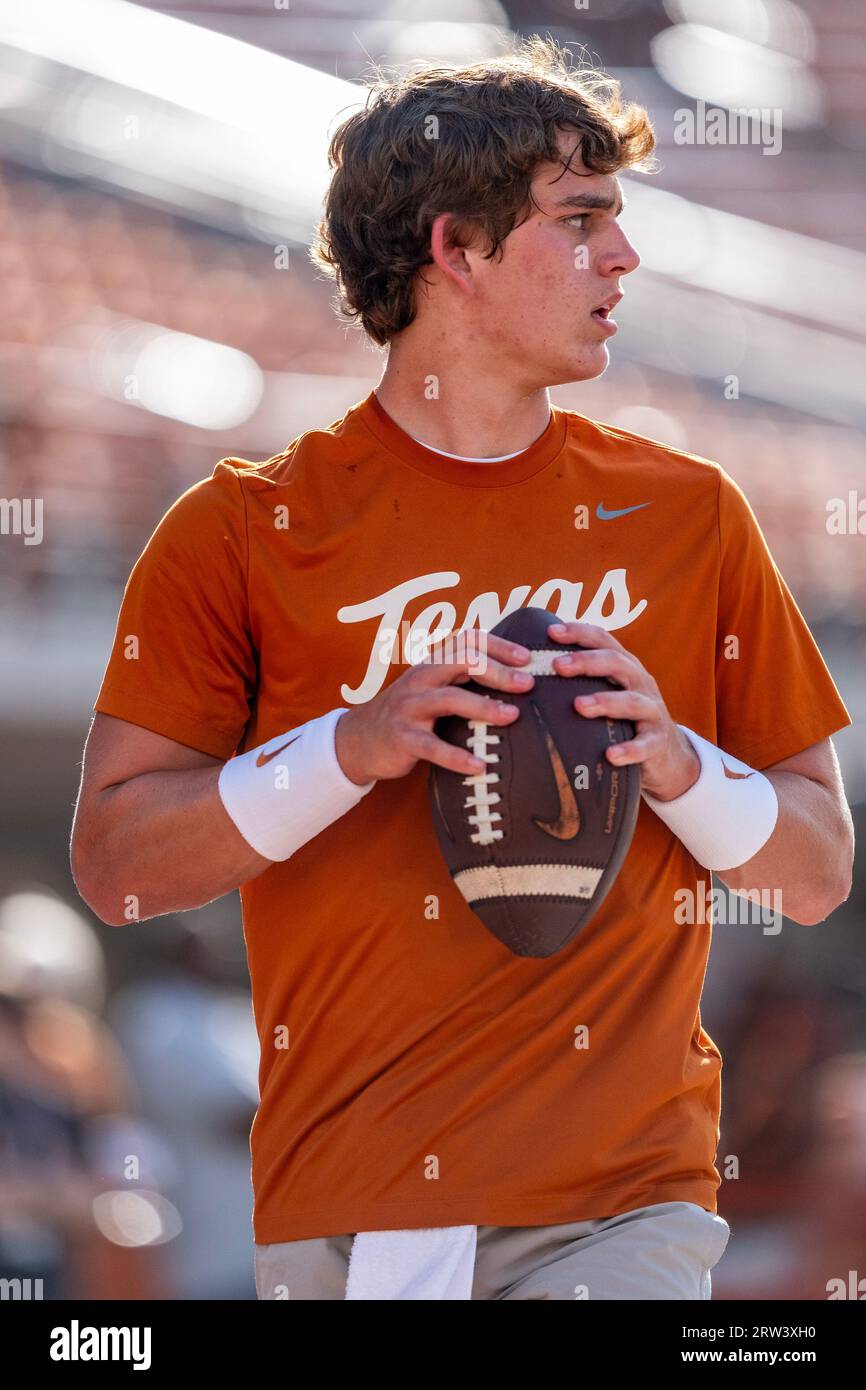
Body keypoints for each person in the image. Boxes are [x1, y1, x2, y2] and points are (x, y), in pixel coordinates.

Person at [70, 38, 854, 1300]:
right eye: (580, 219)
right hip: (337, 1201)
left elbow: (814, 869)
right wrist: (348, 746)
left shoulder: (690, 512)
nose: (623, 255)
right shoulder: (241, 526)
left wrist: (674, 759)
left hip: (621, 1203)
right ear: (456, 250)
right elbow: (116, 867)